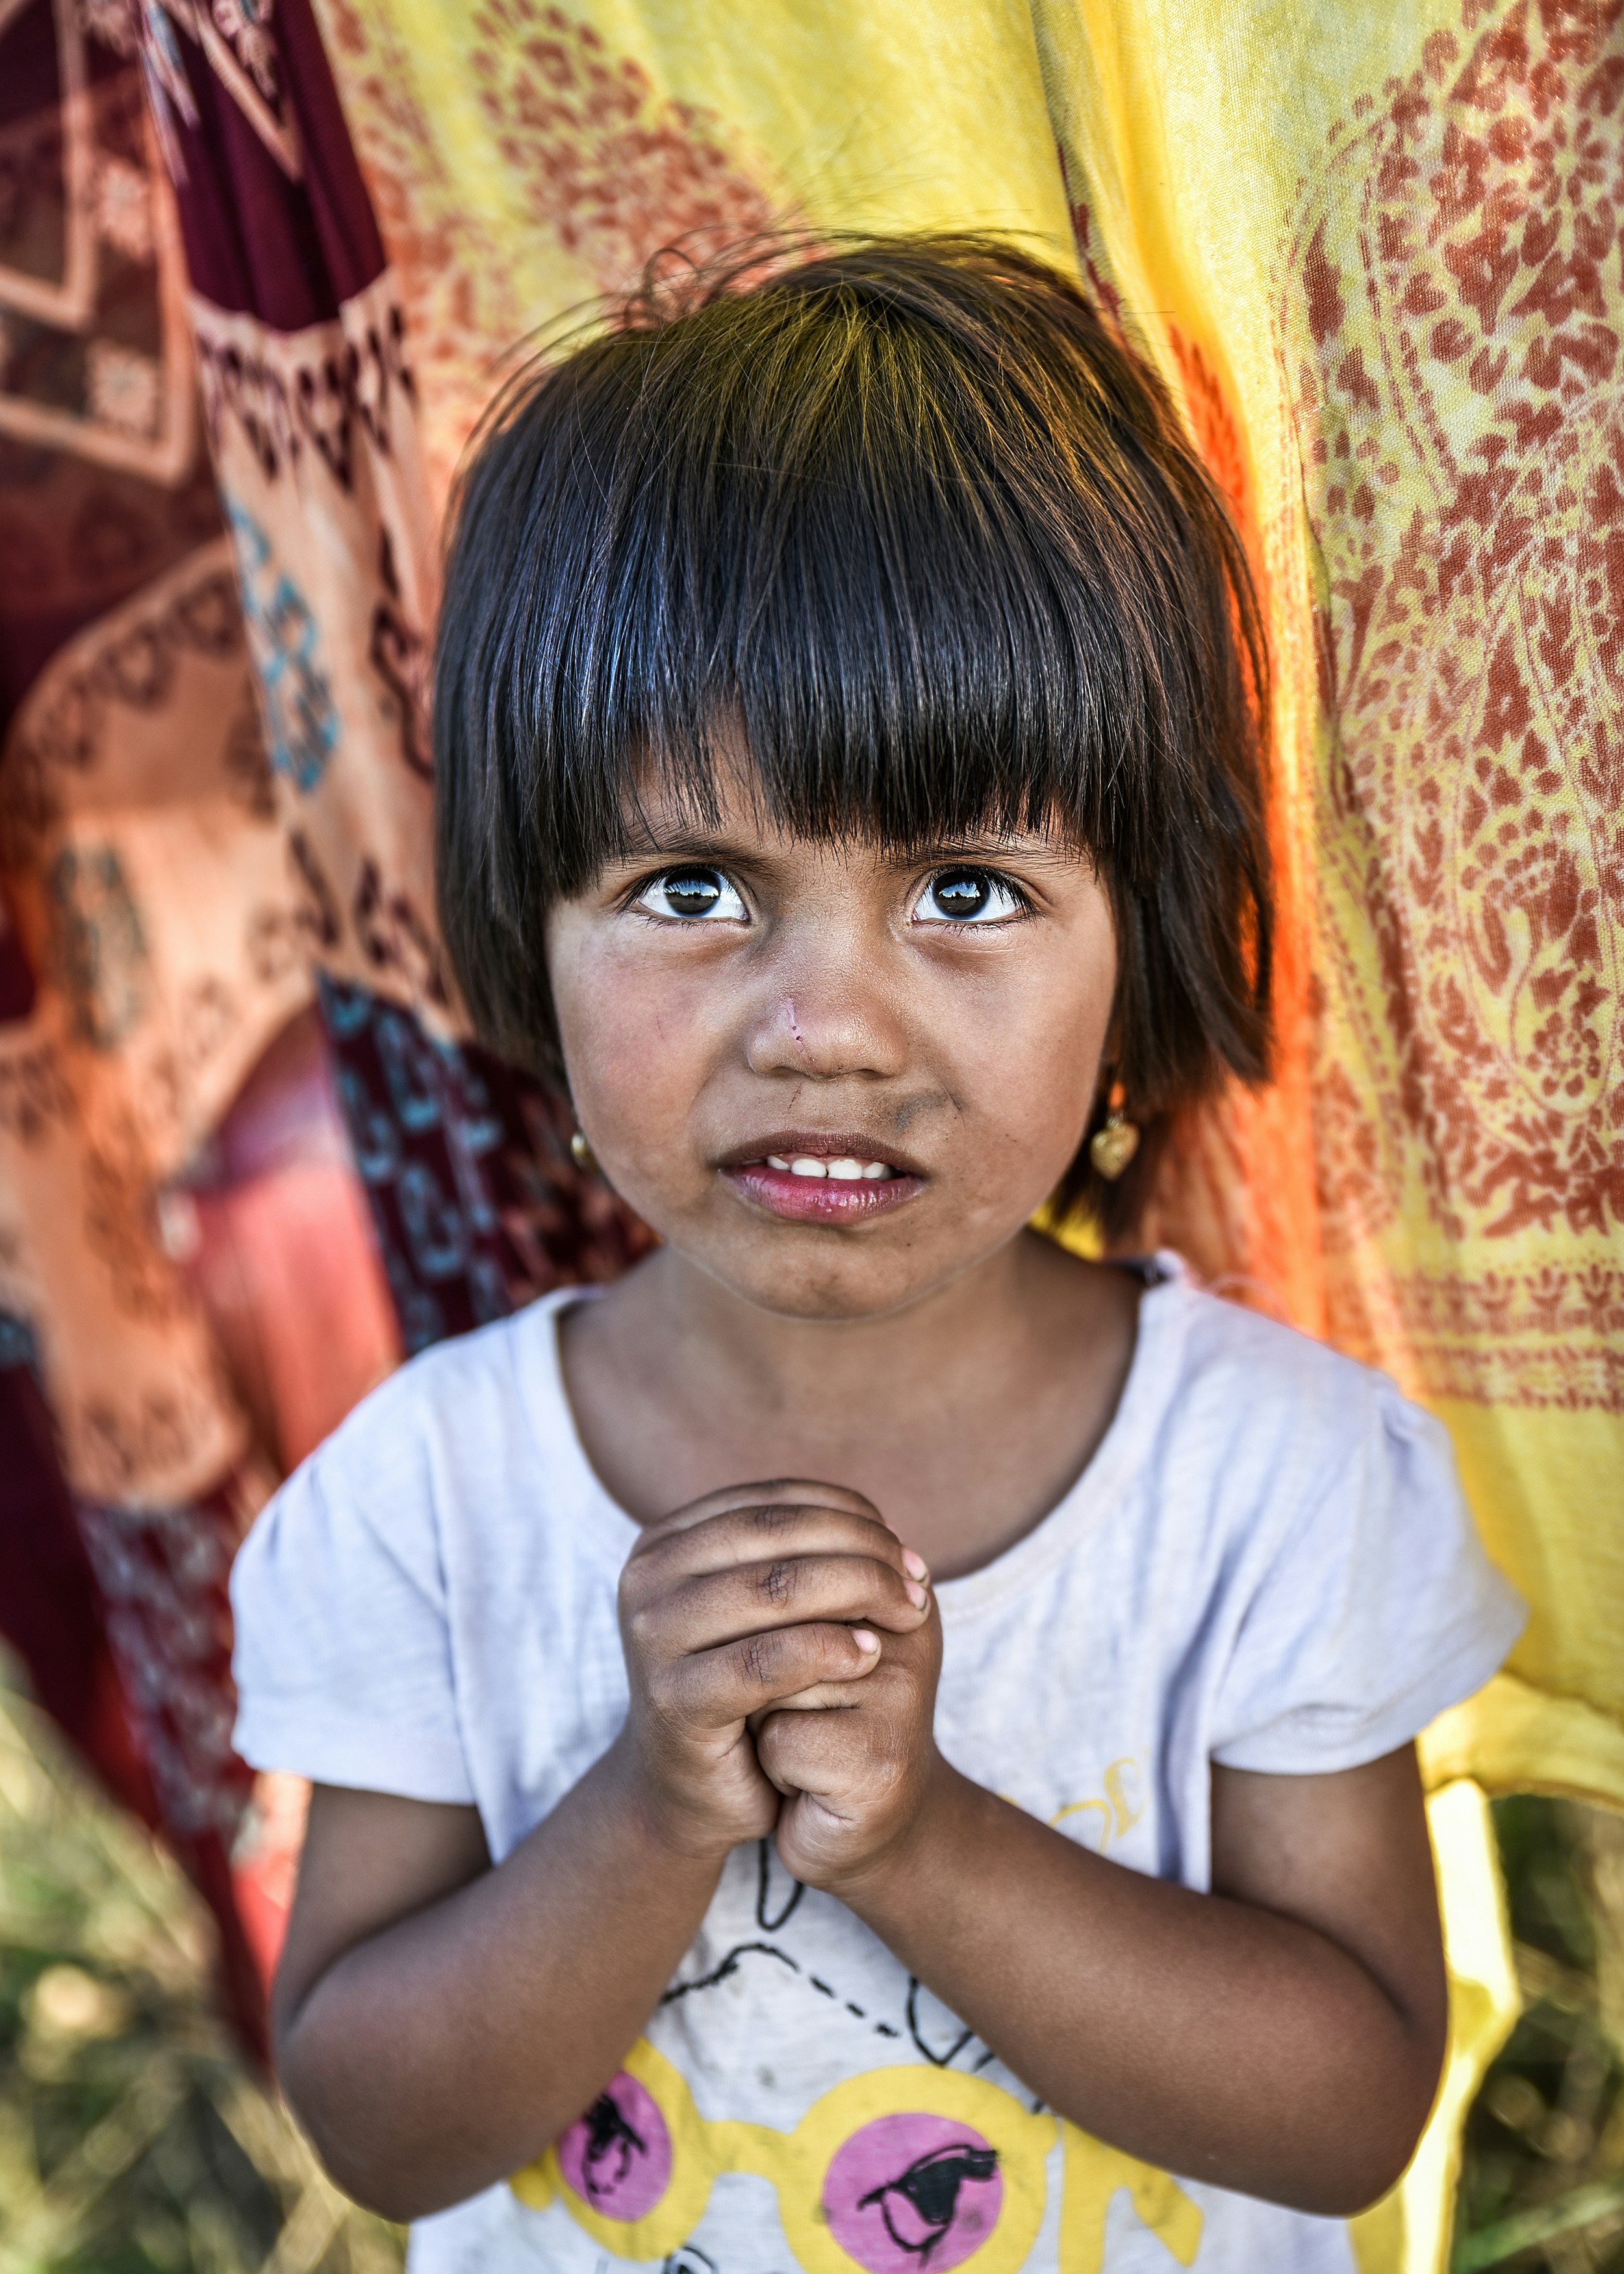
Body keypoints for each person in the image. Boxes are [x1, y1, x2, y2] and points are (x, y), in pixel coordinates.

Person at [230, 236, 1524, 2274]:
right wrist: (647, 1810)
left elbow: (1349, 2103)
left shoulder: (1276, 1483)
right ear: (525, 933)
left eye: (965, 887)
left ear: (1144, 935)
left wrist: (920, 1838)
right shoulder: (426, 1500)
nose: (824, 1022)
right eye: (688, 885)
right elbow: (381, 2125)